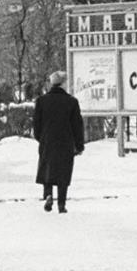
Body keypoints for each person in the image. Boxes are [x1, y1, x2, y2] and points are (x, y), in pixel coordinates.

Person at [33, 69, 86, 212]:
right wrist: (79, 145)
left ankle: (48, 194)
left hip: (47, 141)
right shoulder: (71, 102)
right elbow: (77, 125)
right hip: (65, 142)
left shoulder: (41, 101)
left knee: (47, 169)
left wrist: (41, 138)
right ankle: (61, 204)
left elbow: (36, 125)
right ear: (63, 84)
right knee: (63, 172)